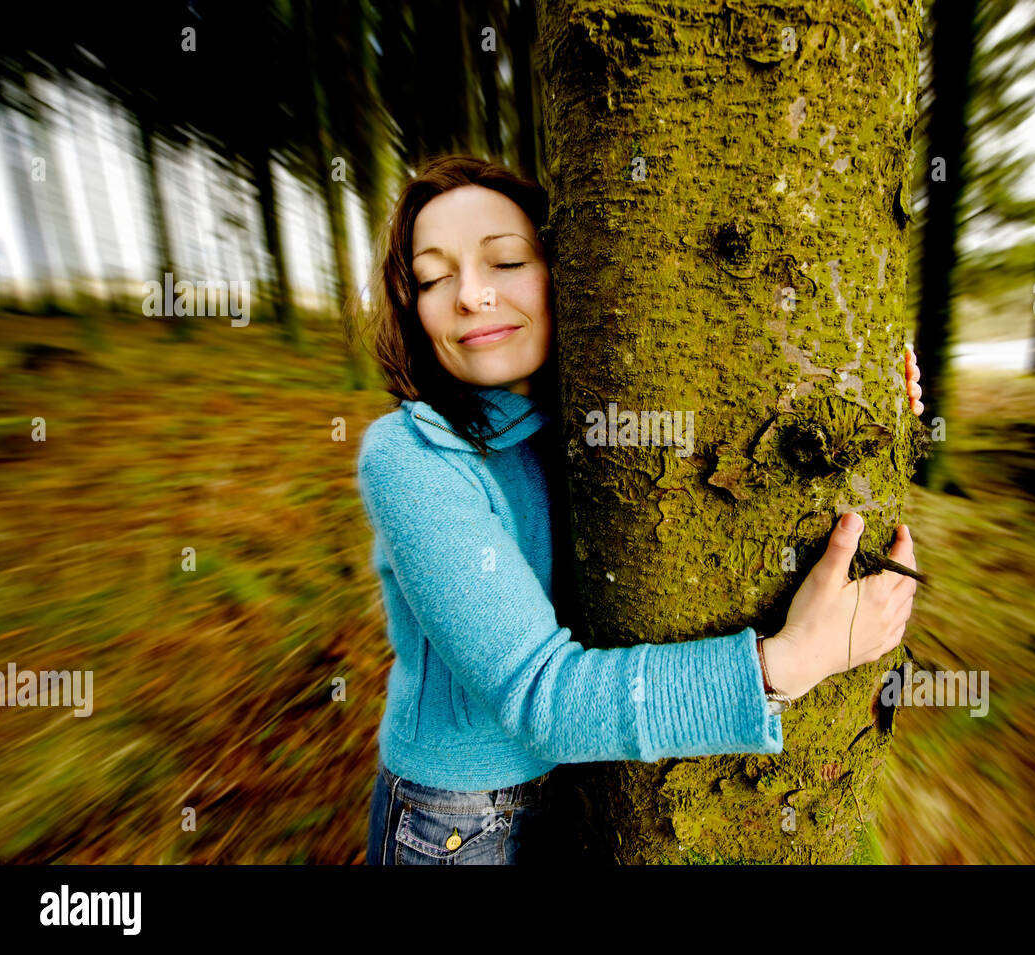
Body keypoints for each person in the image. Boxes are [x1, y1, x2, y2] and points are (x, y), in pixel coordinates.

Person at [355, 154, 924, 865]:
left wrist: (866, 405)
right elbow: (543, 697)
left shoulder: (585, 428)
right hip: (454, 826)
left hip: (584, 788)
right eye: (434, 276)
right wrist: (791, 659)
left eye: (504, 261)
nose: (471, 295)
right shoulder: (411, 456)